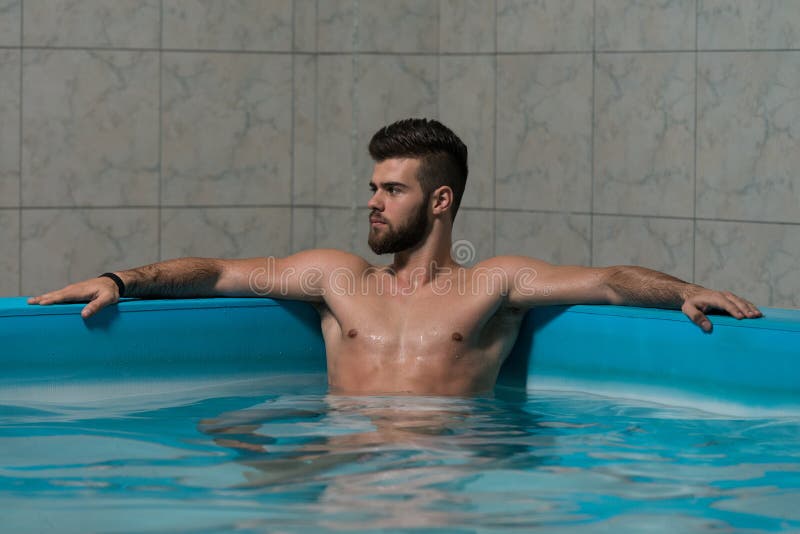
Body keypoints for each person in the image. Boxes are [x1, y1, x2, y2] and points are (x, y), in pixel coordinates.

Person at [29, 118, 762, 396]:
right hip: (339, 460)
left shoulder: (494, 283)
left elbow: (606, 281)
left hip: (448, 475)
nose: (373, 202)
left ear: (440, 202)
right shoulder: (335, 277)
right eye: (372, 186)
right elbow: (218, 272)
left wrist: (680, 290)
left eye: (392, 188)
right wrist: (120, 280)